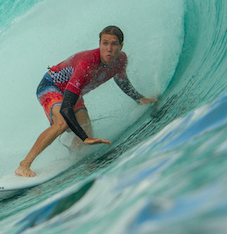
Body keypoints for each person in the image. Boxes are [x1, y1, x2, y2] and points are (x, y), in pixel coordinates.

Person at [15, 25, 157, 177]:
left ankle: (72, 158)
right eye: (105, 43)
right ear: (99, 43)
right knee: (63, 123)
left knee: (86, 133)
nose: (109, 49)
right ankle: (24, 165)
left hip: (72, 93)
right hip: (51, 86)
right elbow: (66, 108)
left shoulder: (121, 59)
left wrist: (139, 99)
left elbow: (121, 80)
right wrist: (85, 138)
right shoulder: (86, 64)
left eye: (114, 44)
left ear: (121, 46)